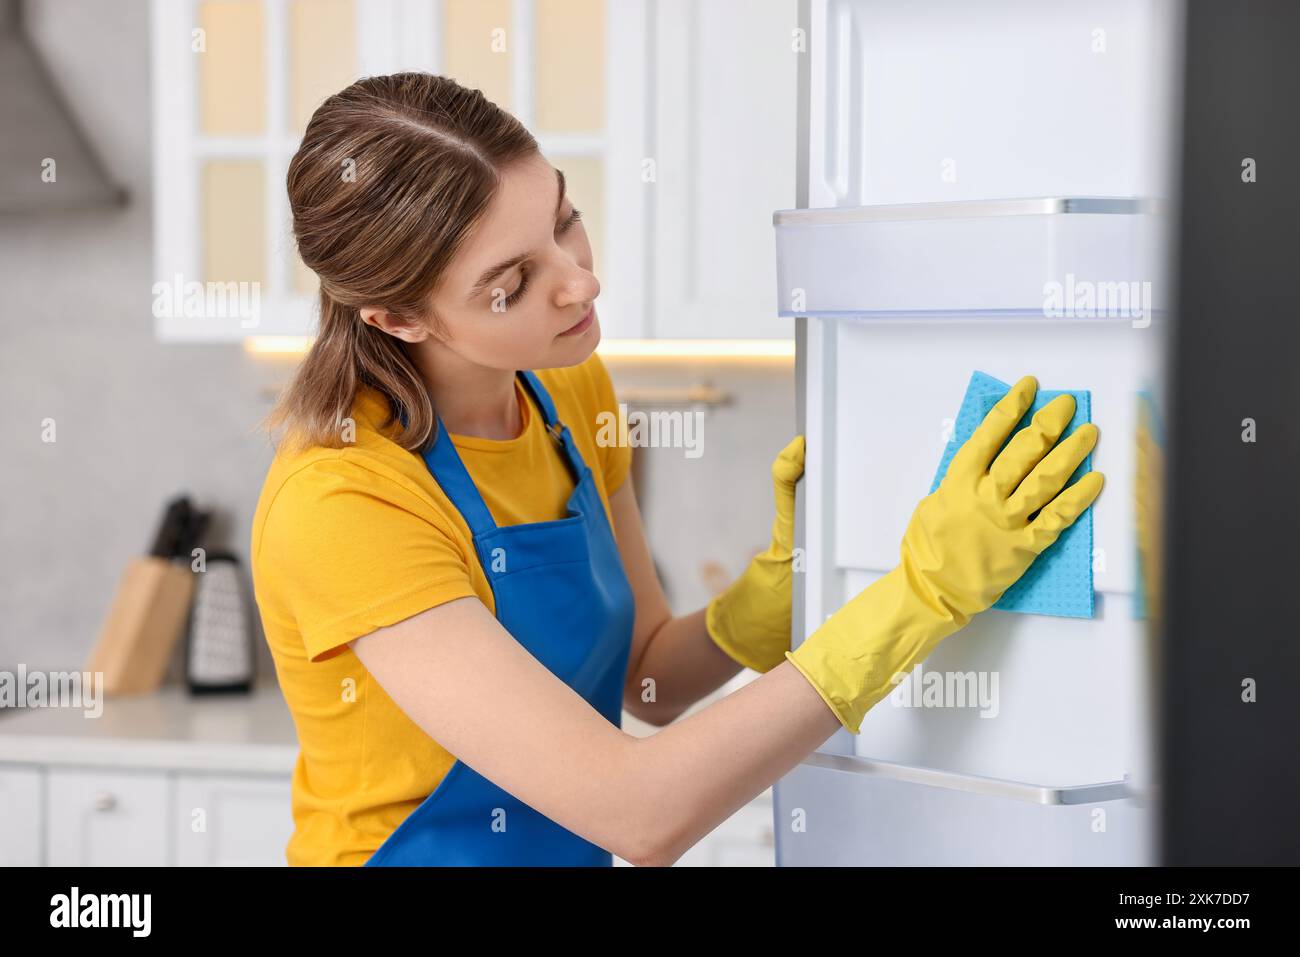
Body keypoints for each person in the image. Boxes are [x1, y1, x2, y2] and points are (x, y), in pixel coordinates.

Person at [251, 73, 1104, 867]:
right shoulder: (344, 500)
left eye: (563, 219)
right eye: (512, 283)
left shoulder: (565, 386)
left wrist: (759, 604)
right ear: (399, 317)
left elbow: (649, 680)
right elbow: (640, 811)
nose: (580, 282)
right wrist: (923, 595)